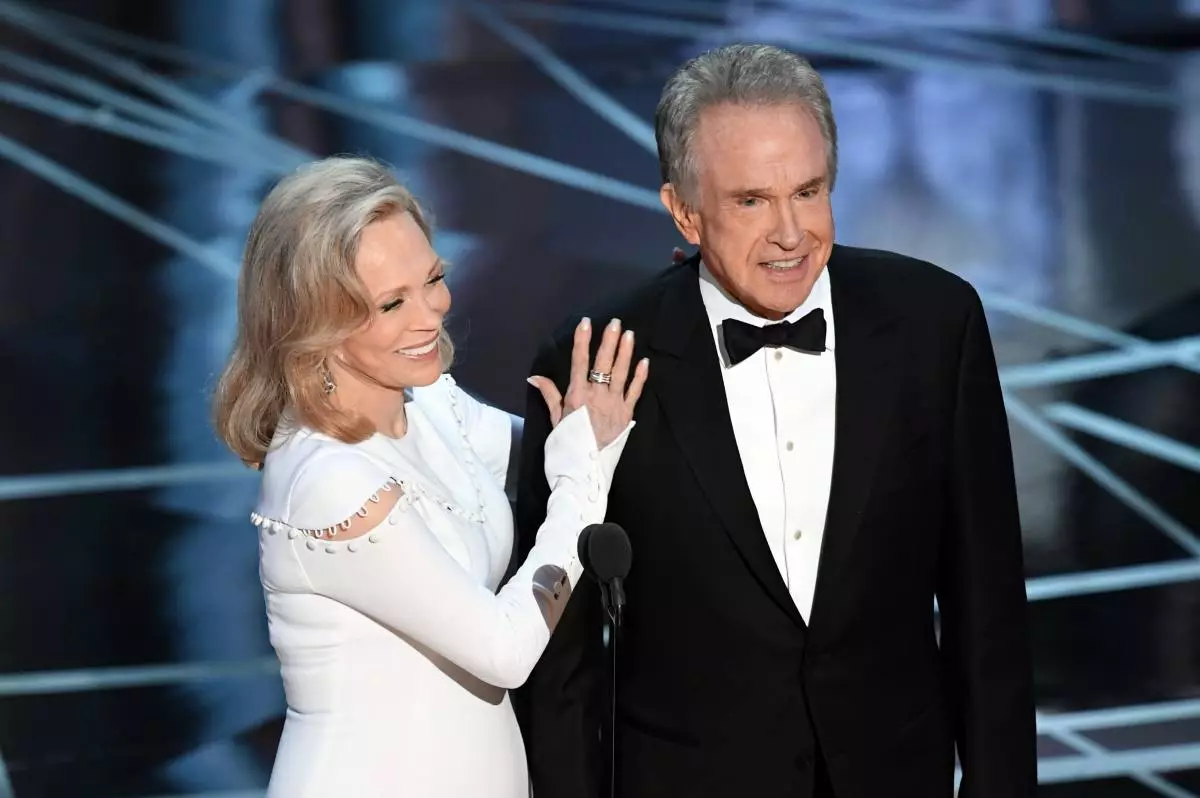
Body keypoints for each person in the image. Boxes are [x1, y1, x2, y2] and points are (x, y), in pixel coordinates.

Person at [515, 44, 1036, 797]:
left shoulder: (934, 322)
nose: (791, 233)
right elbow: (563, 658)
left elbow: (987, 611)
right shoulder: (598, 355)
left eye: (809, 191)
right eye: (751, 201)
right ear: (684, 212)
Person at [212, 155, 648, 797]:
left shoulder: (432, 404)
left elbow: (563, 448)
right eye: (391, 303)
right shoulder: (329, 480)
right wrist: (582, 483)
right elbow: (503, 649)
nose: (429, 315)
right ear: (315, 322)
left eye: (433, 280)